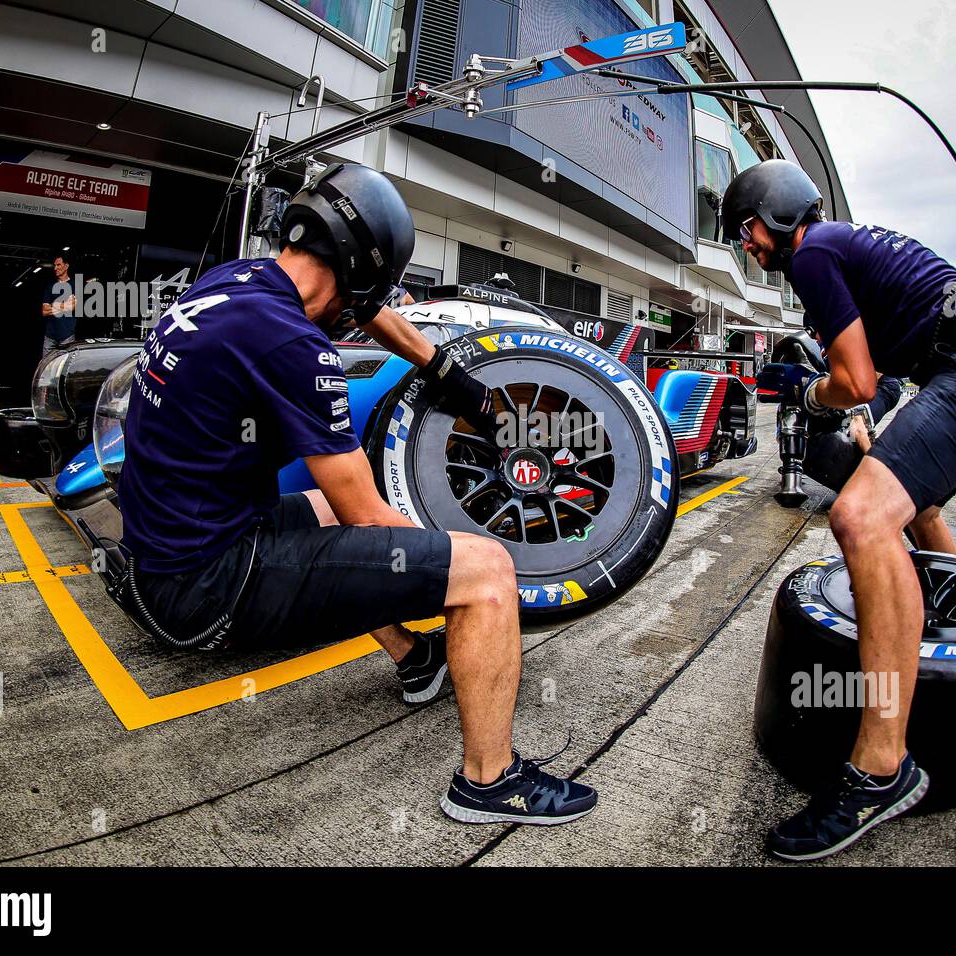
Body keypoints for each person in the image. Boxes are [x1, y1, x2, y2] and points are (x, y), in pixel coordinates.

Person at [117, 162, 597, 826]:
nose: (361, 314)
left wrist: (457, 382)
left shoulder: (236, 284)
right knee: (485, 572)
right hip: (205, 589)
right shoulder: (295, 345)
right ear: (356, 270)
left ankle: (416, 656)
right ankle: (489, 780)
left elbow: (374, 314)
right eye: (366, 293)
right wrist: (466, 574)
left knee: (322, 516)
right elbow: (369, 521)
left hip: (161, 556)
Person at [722, 159, 956, 860]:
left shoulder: (814, 254)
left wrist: (807, 396)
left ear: (775, 214)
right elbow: (879, 378)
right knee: (899, 501)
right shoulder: (846, 247)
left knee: (859, 517)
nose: (747, 246)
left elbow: (853, 378)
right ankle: (950, 614)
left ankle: (880, 770)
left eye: (746, 230)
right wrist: (862, 420)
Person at [41, 253, 77, 356]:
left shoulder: (75, 285)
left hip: (67, 335)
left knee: (65, 367)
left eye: (58, 265)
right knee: (46, 367)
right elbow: (44, 311)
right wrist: (64, 305)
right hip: (50, 335)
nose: (55, 268)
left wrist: (53, 305)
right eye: (54, 265)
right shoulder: (50, 286)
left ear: (66, 266)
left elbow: (73, 307)